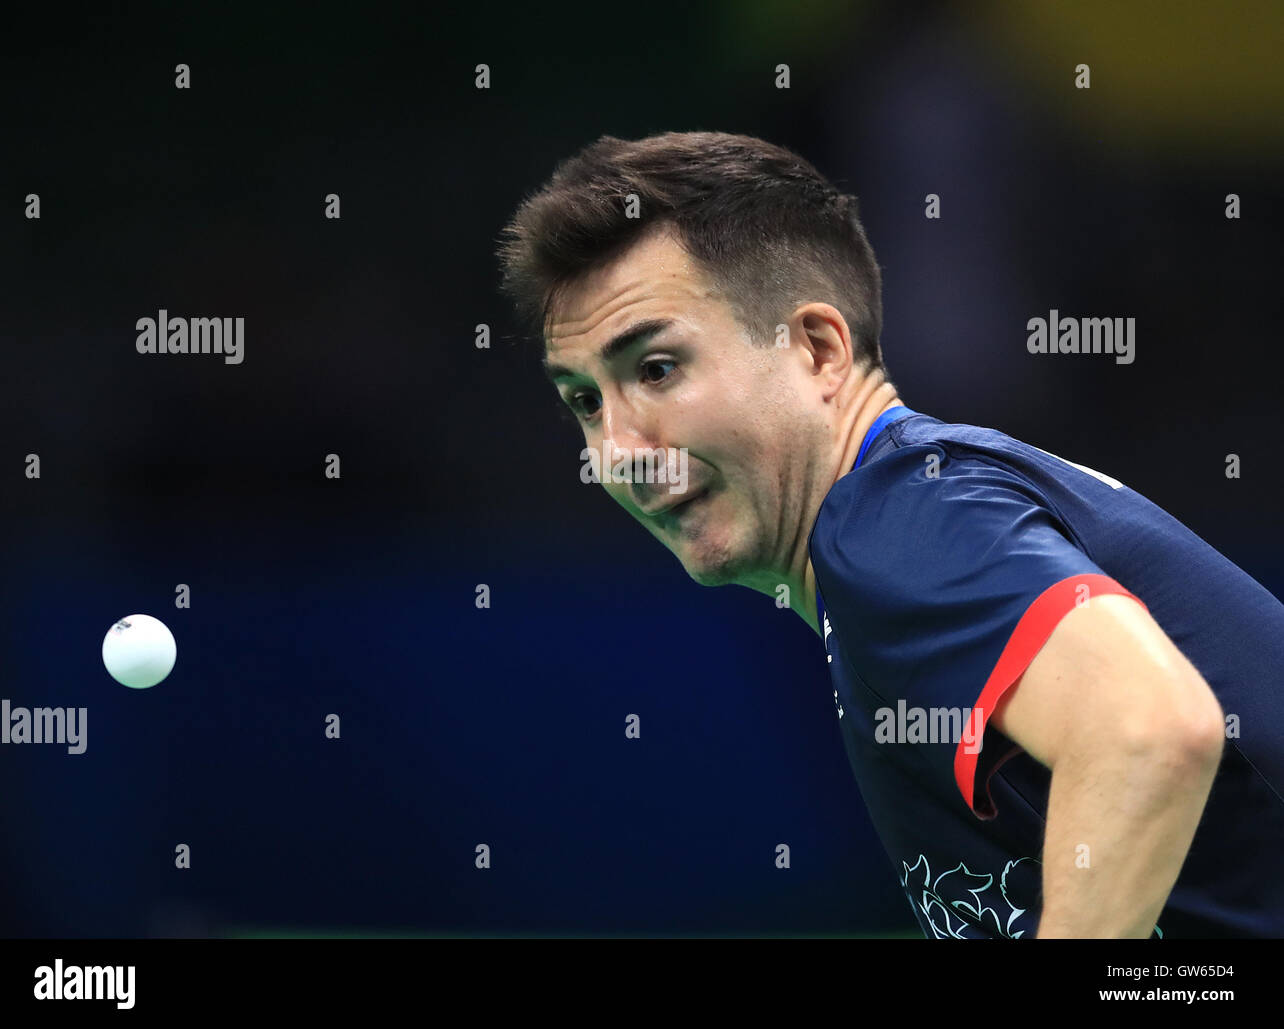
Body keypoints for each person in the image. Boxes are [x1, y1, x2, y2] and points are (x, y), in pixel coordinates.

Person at [496, 130, 1284, 938]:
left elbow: (1149, 730)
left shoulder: (896, 518)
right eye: (585, 403)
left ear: (817, 349)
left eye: (657, 368)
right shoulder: (916, 511)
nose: (618, 453)